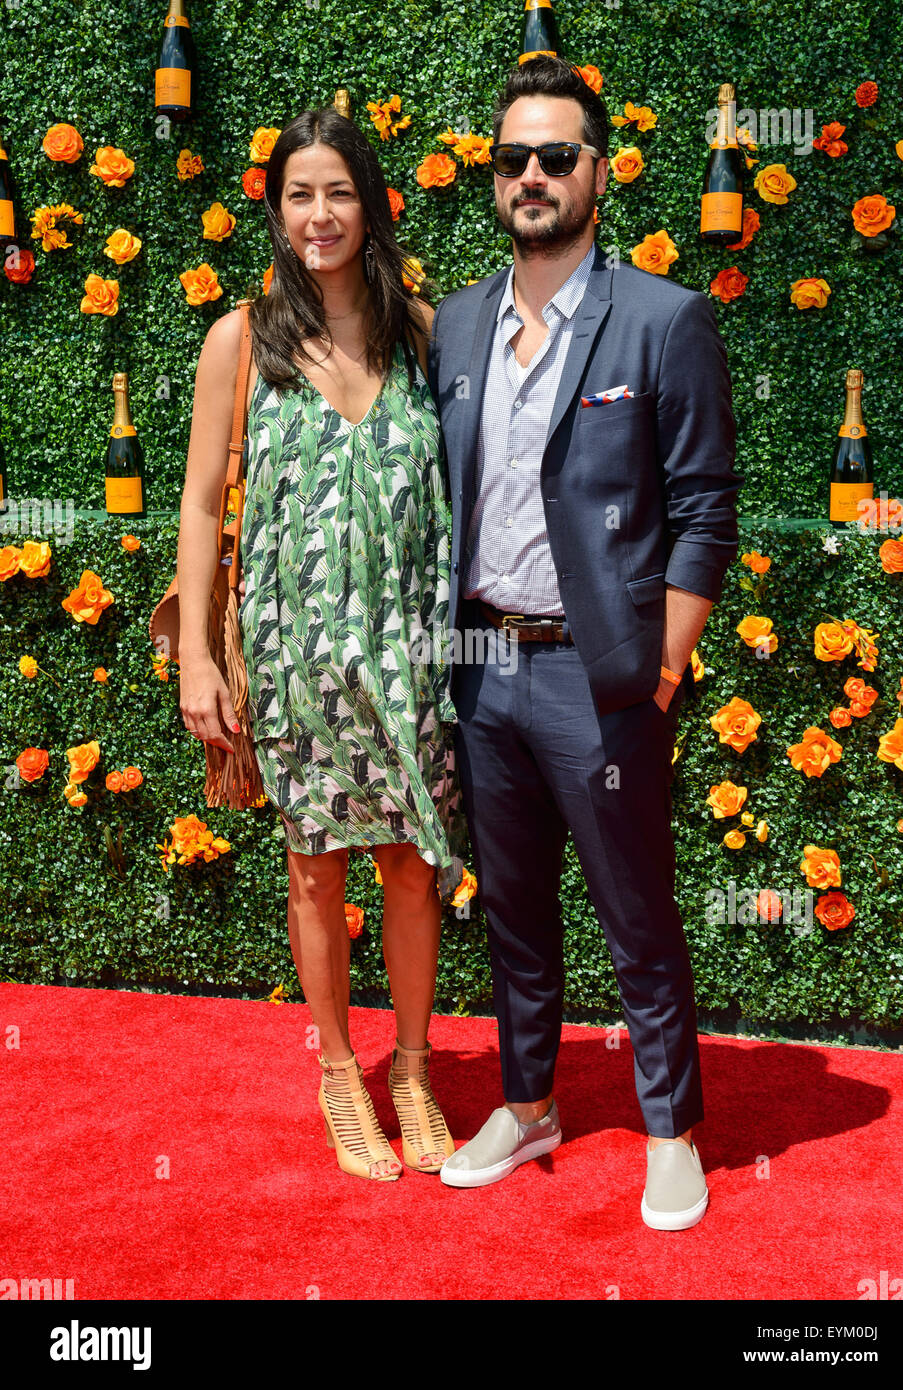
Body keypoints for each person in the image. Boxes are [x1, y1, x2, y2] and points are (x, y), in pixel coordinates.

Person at [428, 57, 744, 1228]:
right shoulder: (454, 325)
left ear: (598, 174)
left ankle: (671, 1129)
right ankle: (531, 1103)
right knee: (512, 909)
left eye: (556, 156)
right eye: (512, 159)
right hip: (484, 668)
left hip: (597, 674)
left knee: (636, 912)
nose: (532, 177)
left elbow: (706, 508)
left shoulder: (663, 319)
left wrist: (658, 663)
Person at [177, 107, 468, 1182]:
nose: (319, 214)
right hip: (293, 657)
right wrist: (200, 659)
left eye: (337, 191)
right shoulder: (242, 340)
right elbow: (202, 504)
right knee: (314, 868)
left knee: (410, 861)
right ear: (275, 212)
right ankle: (340, 1070)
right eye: (298, 194)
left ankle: (413, 1068)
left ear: (373, 203)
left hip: (411, 651)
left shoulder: (427, 334)